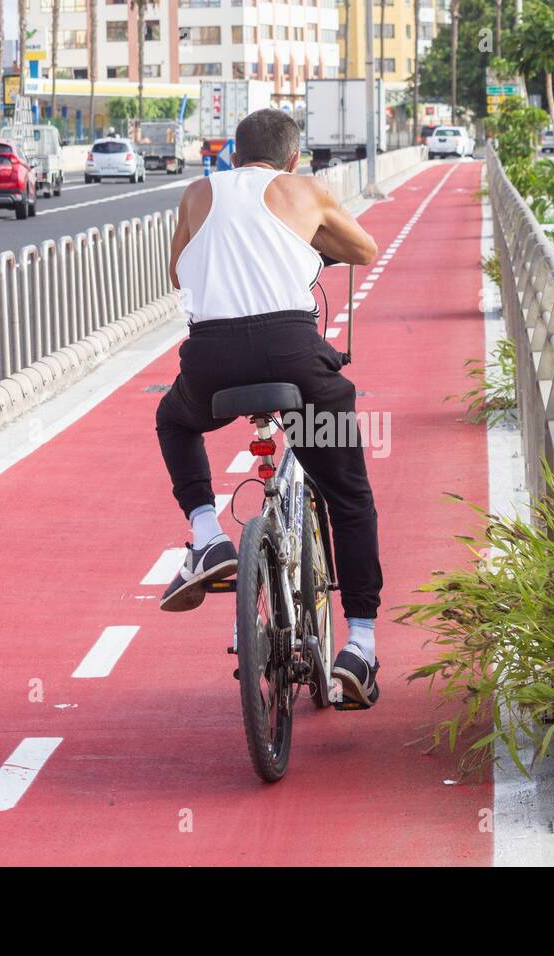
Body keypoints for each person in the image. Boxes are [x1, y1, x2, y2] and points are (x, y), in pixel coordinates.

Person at [155, 109, 384, 707]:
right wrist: (312, 245)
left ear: (233, 155)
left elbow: (178, 272)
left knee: (174, 418)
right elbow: (364, 248)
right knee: (349, 494)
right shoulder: (305, 189)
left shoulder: (198, 193)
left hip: (212, 360)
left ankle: (207, 535)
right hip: (292, 353)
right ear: (292, 158)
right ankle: (359, 644)